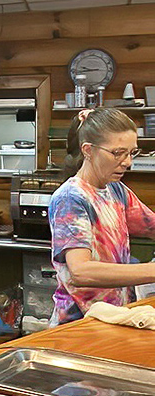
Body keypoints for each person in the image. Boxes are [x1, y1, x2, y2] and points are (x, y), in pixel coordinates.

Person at [48, 107, 155, 325]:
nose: (127, 162)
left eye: (131, 153)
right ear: (88, 150)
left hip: (113, 317)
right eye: (117, 153)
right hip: (80, 323)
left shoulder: (116, 190)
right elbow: (81, 271)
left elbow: (151, 226)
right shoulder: (71, 198)